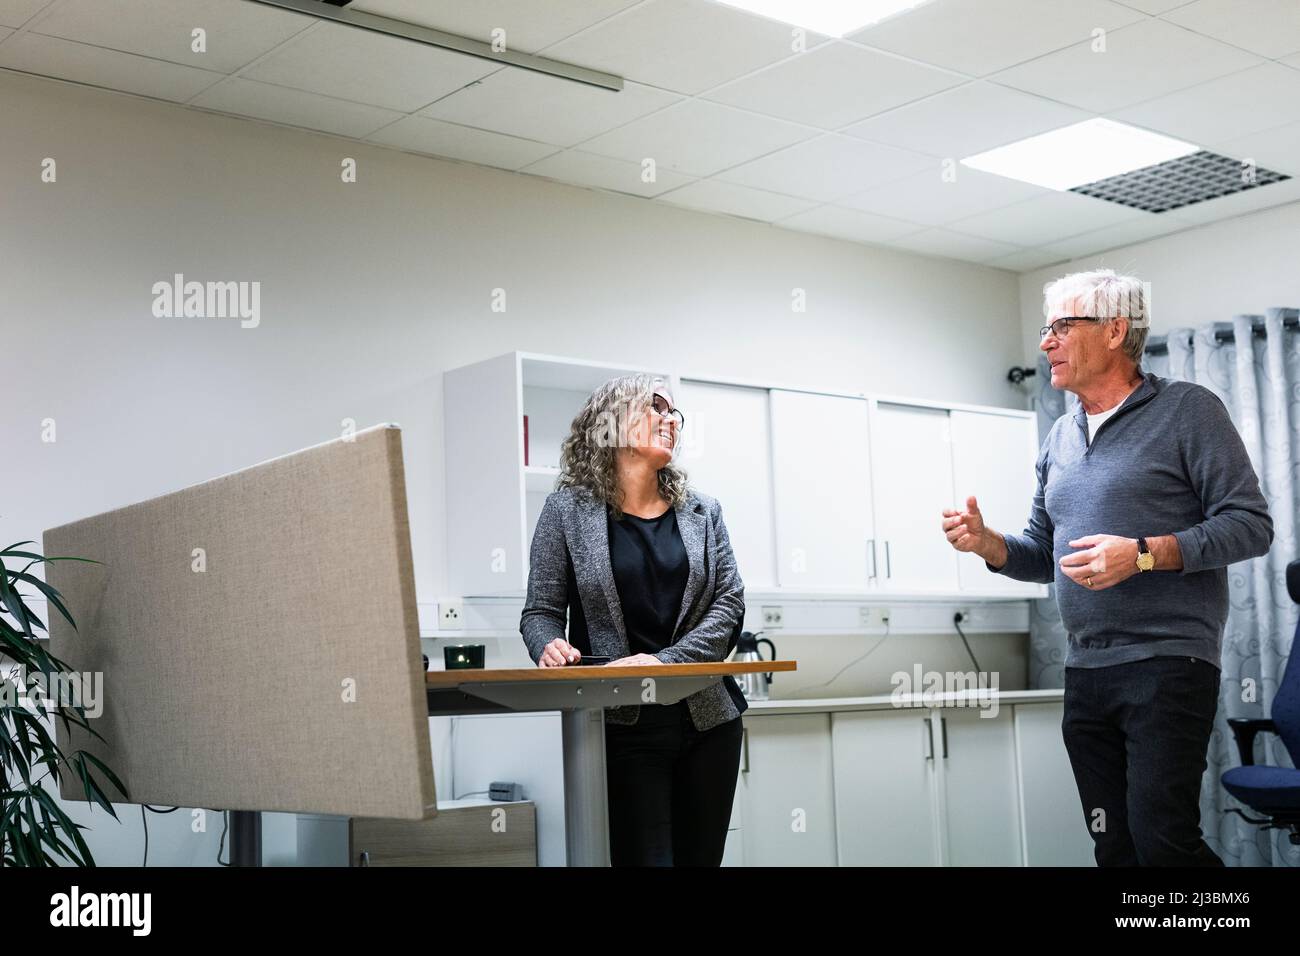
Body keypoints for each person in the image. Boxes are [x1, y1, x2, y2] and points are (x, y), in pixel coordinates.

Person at [941, 268, 1273, 866]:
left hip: (1168, 664)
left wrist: (1143, 553)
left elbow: (1250, 525)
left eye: (1062, 326)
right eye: (1047, 328)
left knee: (1162, 840)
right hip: (1087, 671)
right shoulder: (1060, 438)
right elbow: (1044, 555)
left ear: (1116, 330)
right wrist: (990, 545)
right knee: (1112, 844)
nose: (1046, 342)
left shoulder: (1187, 411)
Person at [520, 373, 746, 866]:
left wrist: (663, 662)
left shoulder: (704, 512)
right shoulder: (566, 512)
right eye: (656, 408)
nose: (671, 421)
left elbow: (729, 606)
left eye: (674, 414)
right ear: (612, 425)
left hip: (709, 721)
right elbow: (540, 611)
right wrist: (547, 644)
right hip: (624, 723)